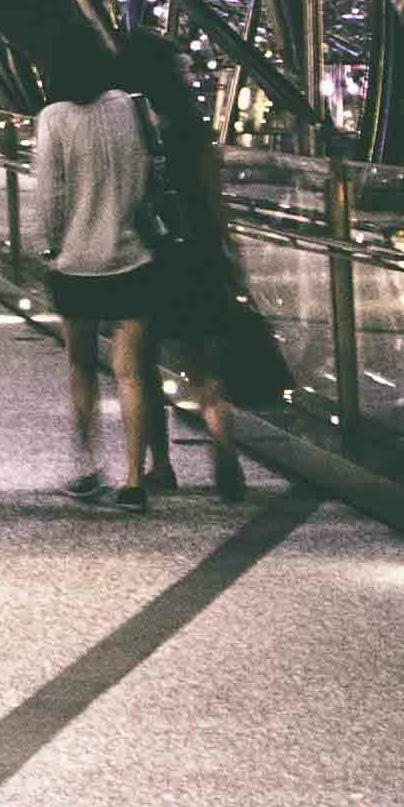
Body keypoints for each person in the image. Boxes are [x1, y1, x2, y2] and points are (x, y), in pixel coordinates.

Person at [111, 29, 256, 499]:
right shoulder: (192, 127)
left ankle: (160, 464)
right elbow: (215, 198)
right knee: (204, 368)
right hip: (200, 254)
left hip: (150, 255)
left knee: (143, 364)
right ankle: (223, 446)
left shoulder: (130, 125)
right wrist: (230, 254)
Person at [25, 38, 155, 509]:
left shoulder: (54, 118)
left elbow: (50, 195)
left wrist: (51, 242)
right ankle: (135, 480)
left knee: (81, 367)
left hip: (76, 264)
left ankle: (87, 466)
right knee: (131, 373)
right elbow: (144, 177)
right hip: (132, 258)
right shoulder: (126, 108)